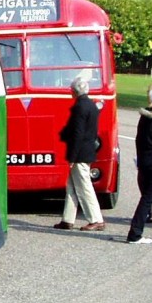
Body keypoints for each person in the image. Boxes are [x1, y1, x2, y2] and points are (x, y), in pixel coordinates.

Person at [53, 76, 106, 231]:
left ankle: (96, 219)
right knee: (72, 186)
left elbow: (77, 133)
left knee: (84, 187)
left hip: (80, 153)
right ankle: (67, 219)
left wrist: (72, 157)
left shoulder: (79, 108)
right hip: (87, 150)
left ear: (74, 92)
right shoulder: (91, 105)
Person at [126, 84, 152, 243]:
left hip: (145, 163)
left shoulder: (145, 118)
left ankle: (136, 232)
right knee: (148, 199)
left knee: (148, 198)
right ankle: (135, 233)